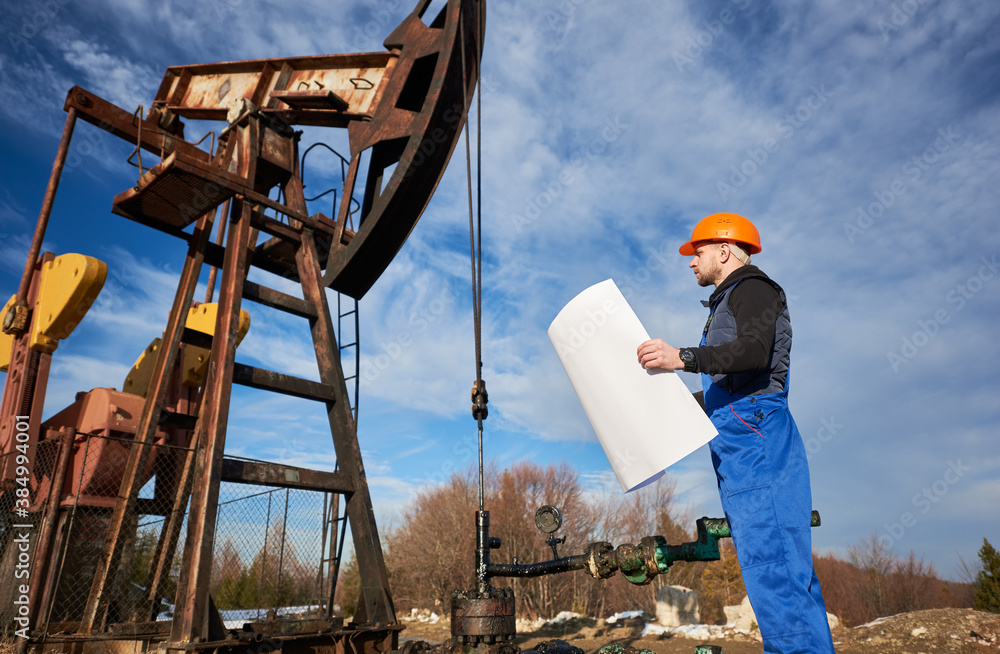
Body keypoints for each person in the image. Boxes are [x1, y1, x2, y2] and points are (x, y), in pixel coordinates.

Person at [636, 212, 835, 654]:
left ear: (724, 251)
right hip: (738, 437)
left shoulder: (754, 288)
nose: (691, 262)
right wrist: (666, 408)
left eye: (698, 252)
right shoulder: (730, 299)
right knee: (765, 567)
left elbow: (752, 352)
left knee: (776, 565)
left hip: (756, 434)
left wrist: (681, 357)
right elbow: (727, 385)